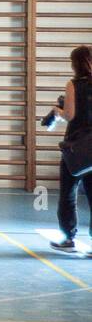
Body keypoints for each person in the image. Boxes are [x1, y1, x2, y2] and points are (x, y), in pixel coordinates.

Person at [50, 45, 92, 255]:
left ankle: (69, 237)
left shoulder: (73, 84)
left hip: (77, 146)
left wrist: (58, 110)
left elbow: (70, 115)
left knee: (68, 191)